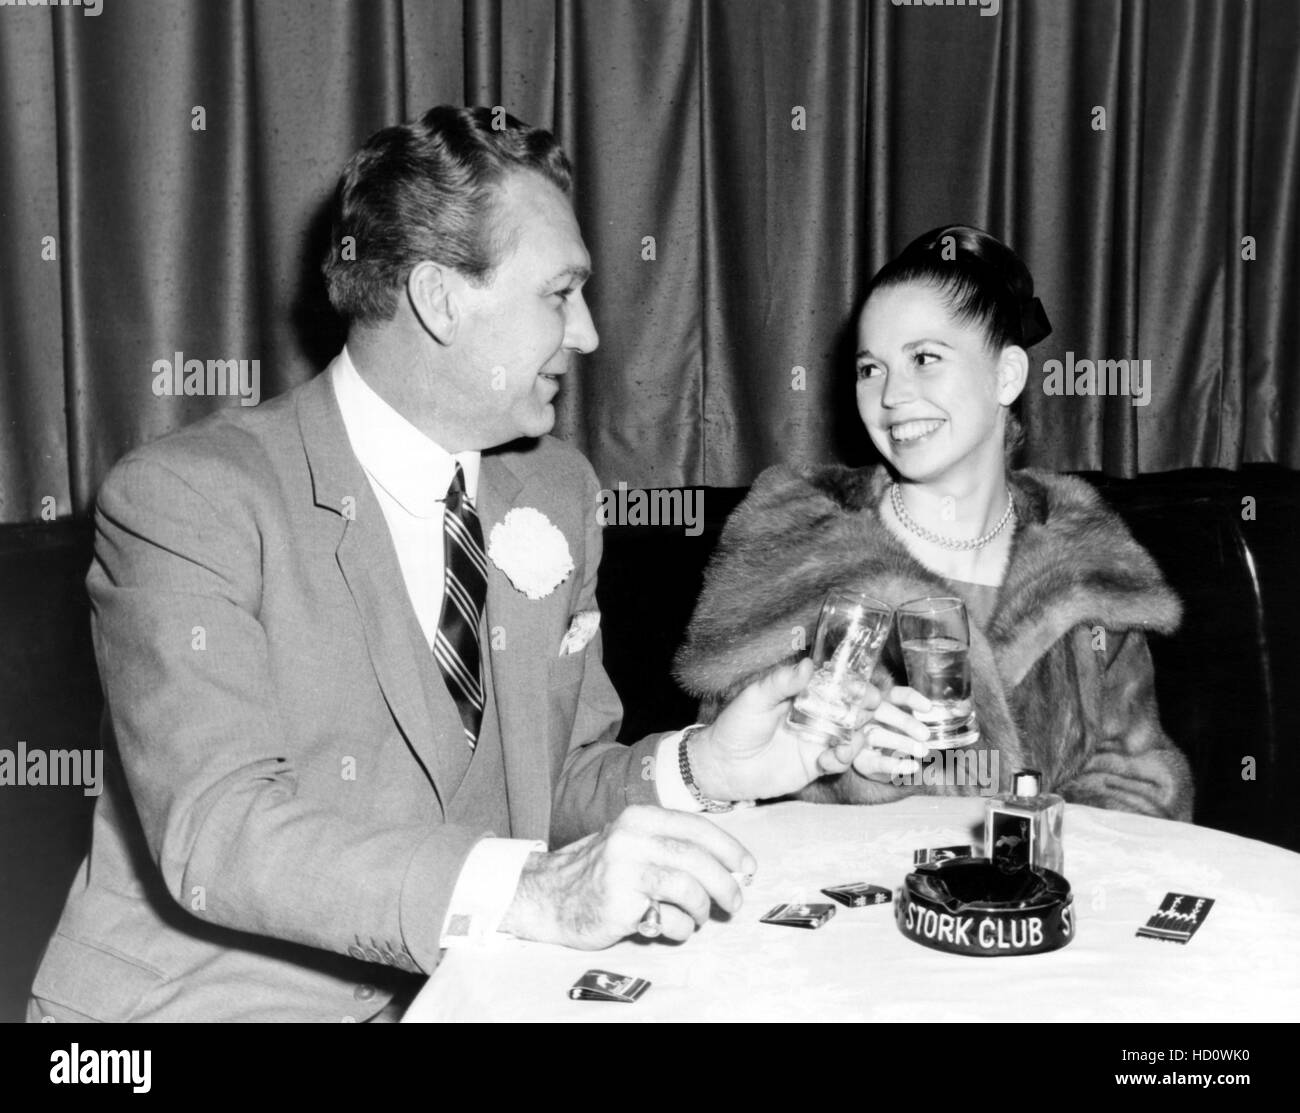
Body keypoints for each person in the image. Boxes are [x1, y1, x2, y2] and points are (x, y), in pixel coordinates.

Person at [28, 106, 917, 1023]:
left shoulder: (556, 492)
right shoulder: (190, 497)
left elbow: (555, 782)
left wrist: (707, 767)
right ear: (439, 299)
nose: (590, 335)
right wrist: (532, 892)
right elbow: (219, 835)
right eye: (560, 293)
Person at [674, 225, 1193, 820]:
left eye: (925, 358)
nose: (892, 395)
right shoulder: (792, 546)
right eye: (871, 369)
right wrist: (850, 772)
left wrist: (1024, 867)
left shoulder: (1083, 563)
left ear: (1006, 376)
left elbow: (1139, 777)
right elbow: (724, 778)